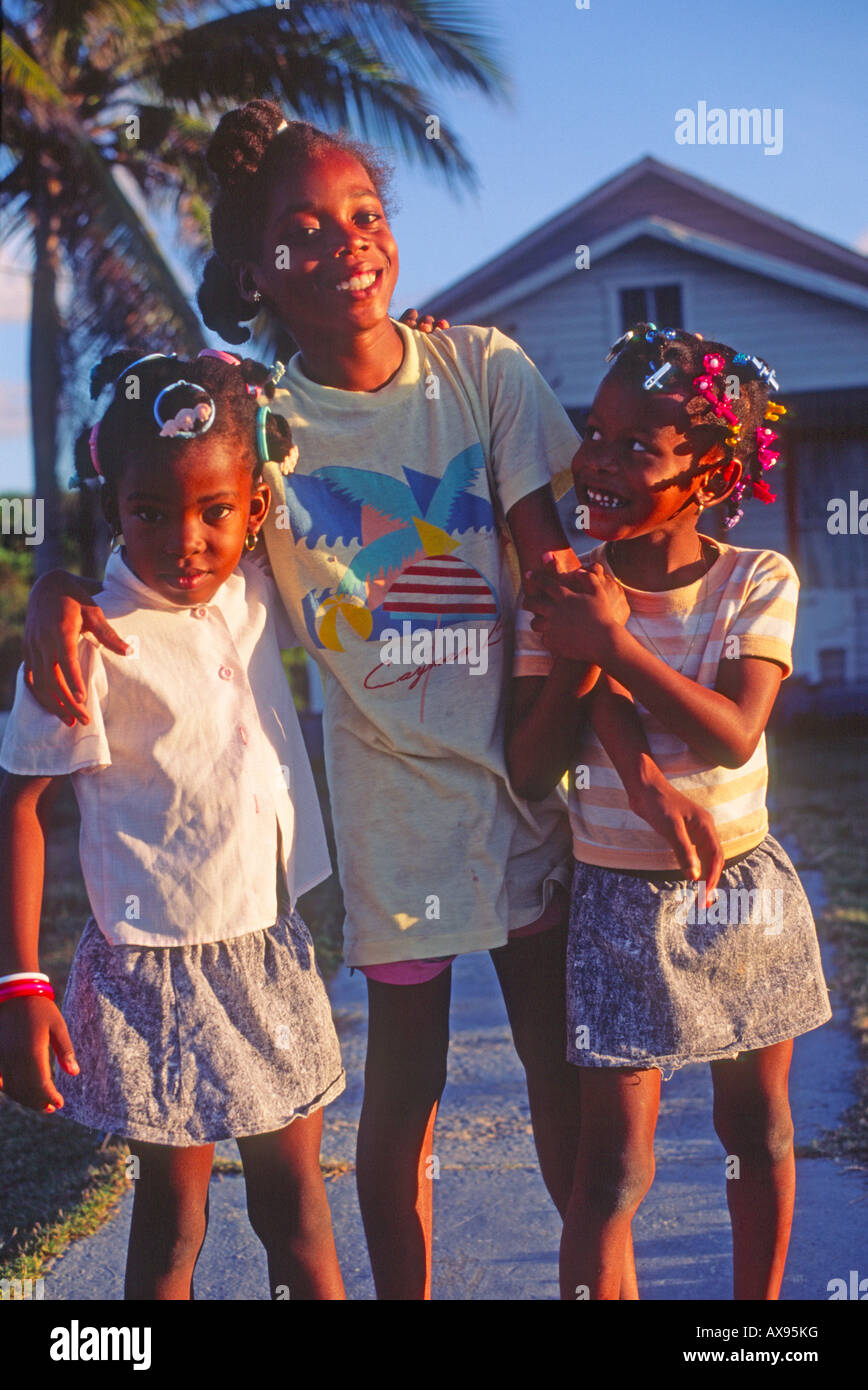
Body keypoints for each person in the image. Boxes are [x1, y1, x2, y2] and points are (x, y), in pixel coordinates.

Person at [21, 105, 719, 1300]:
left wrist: (617, 765)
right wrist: (49, 586)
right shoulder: (262, 434)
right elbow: (167, 537)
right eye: (306, 230)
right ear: (256, 275)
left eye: (365, 216)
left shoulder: (481, 369)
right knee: (404, 1099)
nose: (349, 243)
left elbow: (556, 590)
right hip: (391, 814)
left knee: (560, 1080)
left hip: (521, 785)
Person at [0, 349, 346, 1300]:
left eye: (214, 512)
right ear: (113, 502)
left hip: (266, 948)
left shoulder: (256, 585)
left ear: (254, 509)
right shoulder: (83, 641)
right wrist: (19, 983)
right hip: (155, 967)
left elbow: (337, 424)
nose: (186, 541)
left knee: (296, 1212)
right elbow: (18, 807)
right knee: (172, 1223)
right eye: (150, 512)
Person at [510, 324, 831, 1300]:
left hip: (739, 893)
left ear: (711, 472)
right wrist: (580, 641)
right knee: (612, 1170)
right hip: (617, 905)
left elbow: (734, 732)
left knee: (759, 1130)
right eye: (593, 432)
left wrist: (615, 641)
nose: (597, 461)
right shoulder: (561, 592)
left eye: (635, 447)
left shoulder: (755, 579)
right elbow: (529, 768)